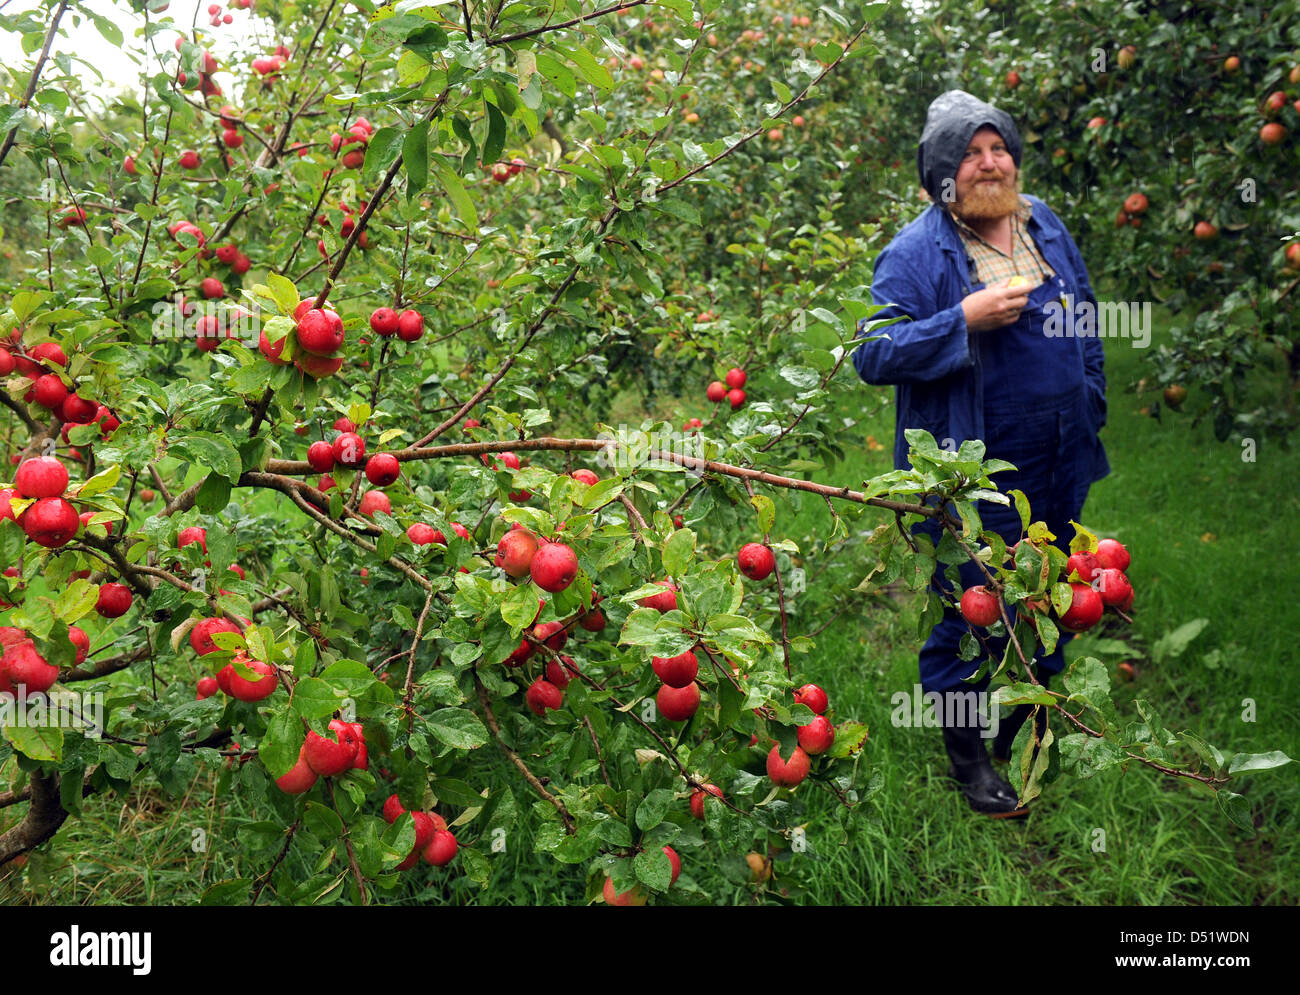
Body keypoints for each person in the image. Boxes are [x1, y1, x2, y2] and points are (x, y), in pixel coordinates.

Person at [852, 90, 1110, 817]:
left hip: (1060, 454)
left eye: (998, 148)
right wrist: (959, 320)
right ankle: (970, 760)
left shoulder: (1044, 225)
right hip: (978, 470)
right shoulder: (916, 251)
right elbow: (871, 351)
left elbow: (1084, 314)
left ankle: (1026, 723)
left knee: (1051, 586)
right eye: (970, 152)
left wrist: (1090, 396)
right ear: (943, 174)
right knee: (972, 609)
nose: (988, 162)